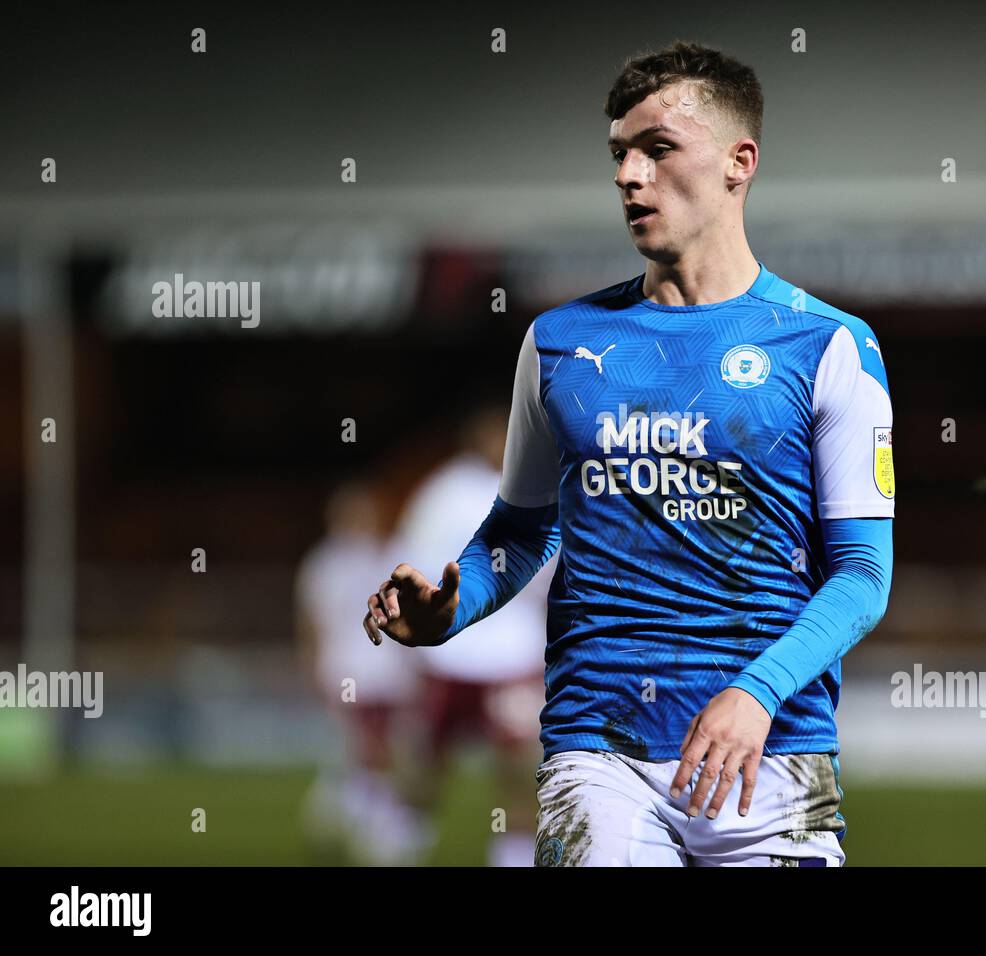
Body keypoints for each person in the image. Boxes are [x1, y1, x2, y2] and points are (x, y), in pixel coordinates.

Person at [364, 41, 894, 866]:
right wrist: (451, 605)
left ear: (737, 163)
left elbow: (862, 576)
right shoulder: (559, 345)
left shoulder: (827, 346)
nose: (628, 176)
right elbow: (519, 530)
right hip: (597, 749)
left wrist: (755, 692)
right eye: (619, 154)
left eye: (657, 149)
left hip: (773, 755)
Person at [395, 403, 554, 867]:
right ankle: (405, 839)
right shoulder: (443, 492)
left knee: (520, 765)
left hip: (513, 654)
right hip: (453, 653)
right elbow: (414, 558)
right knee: (428, 760)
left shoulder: (537, 487)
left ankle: (514, 853)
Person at [296, 480, 432, 864]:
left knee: (378, 752)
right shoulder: (324, 564)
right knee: (373, 750)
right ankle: (374, 830)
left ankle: (338, 811)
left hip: (389, 672)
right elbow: (312, 622)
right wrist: (314, 666)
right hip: (349, 672)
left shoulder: (390, 556)